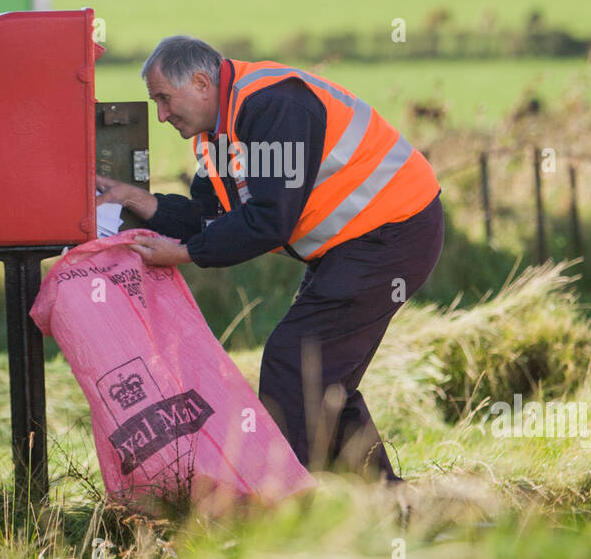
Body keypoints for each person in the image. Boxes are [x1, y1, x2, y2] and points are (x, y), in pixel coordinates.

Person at [96, 35, 444, 482]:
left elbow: (268, 220)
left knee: (294, 362)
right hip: (356, 243)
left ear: (202, 82)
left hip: (392, 231)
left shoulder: (275, 106)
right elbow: (210, 215)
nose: (161, 115)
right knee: (317, 376)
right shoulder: (221, 130)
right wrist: (142, 203)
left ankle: (286, 505)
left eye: (164, 99)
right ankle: (385, 506)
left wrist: (183, 254)